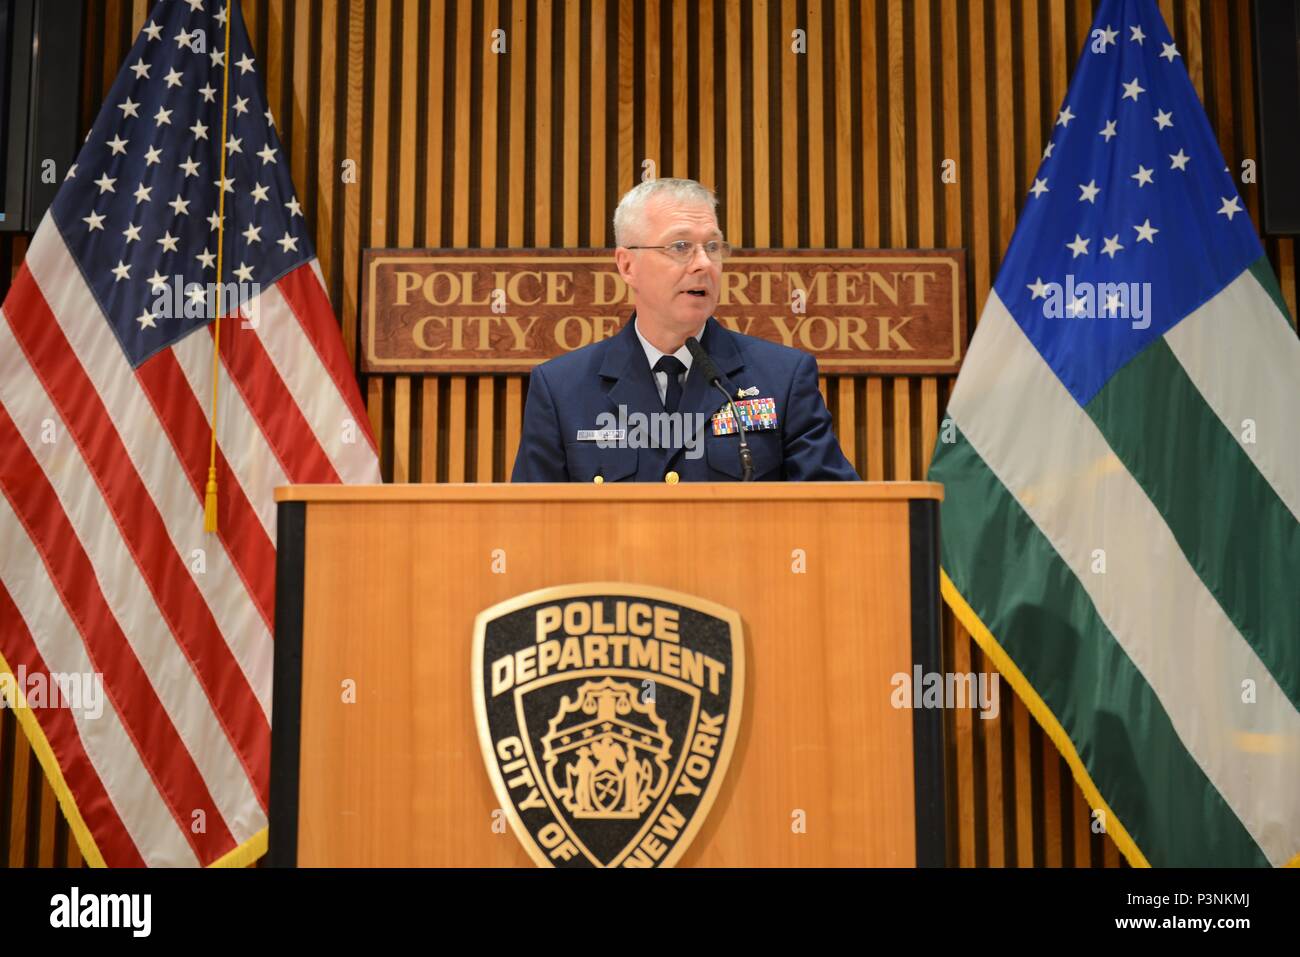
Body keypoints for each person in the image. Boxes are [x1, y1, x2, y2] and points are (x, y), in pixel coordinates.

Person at [511, 177, 858, 483]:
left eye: (712, 246)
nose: (704, 263)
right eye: (680, 247)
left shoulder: (783, 380)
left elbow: (835, 516)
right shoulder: (561, 389)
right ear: (627, 264)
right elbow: (532, 528)